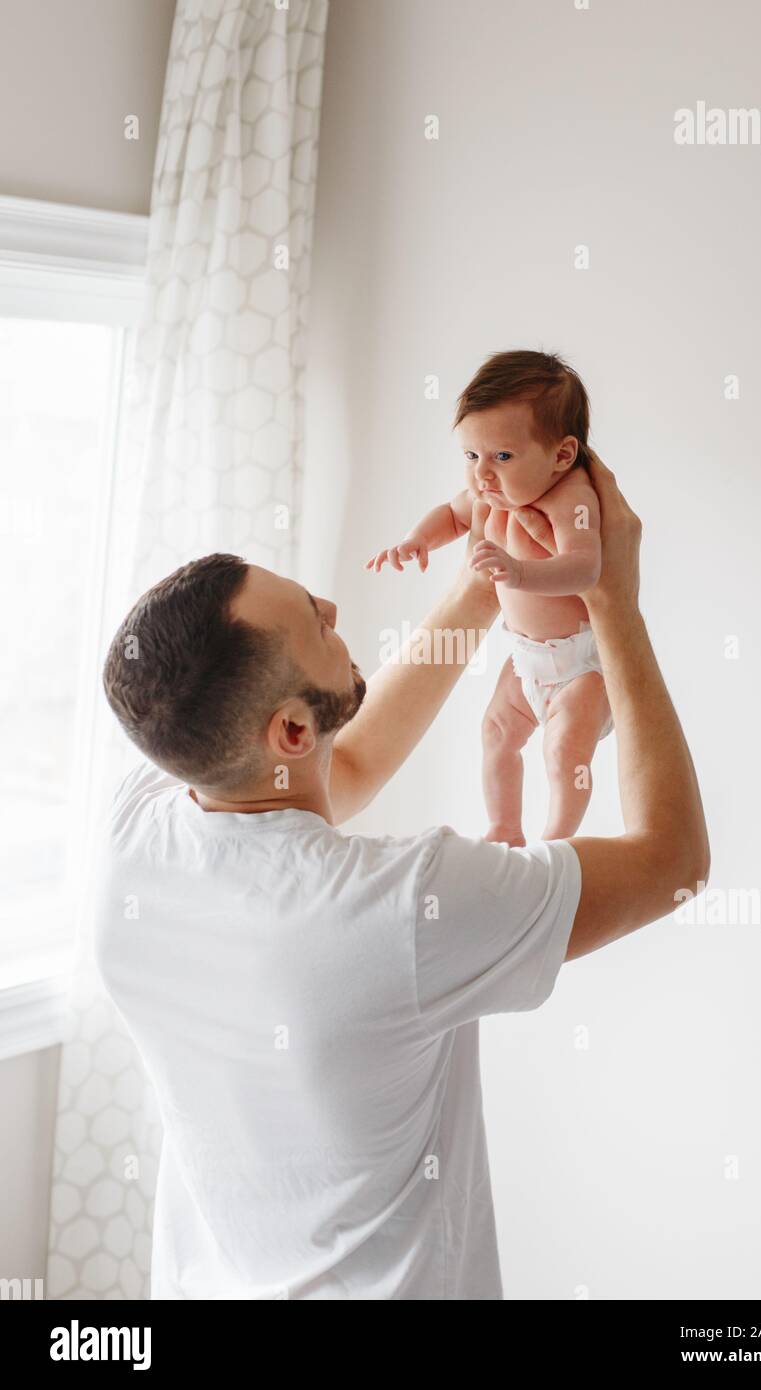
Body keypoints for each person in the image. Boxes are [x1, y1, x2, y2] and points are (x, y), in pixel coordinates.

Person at [96, 453, 709, 1300]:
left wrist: (485, 587)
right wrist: (614, 605)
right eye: (315, 622)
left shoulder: (136, 824)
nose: (334, 605)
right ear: (287, 735)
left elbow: (340, 768)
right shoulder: (402, 908)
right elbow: (672, 861)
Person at [367, 349, 610, 844]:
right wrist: (417, 540)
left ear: (562, 456)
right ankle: (504, 827)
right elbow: (452, 515)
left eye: (502, 456)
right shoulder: (491, 493)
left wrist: (520, 571)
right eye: (471, 456)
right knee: (497, 734)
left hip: (582, 664)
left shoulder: (571, 497)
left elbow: (587, 566)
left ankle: (556, 840)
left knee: (564, 752)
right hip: (526, 658)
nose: (482, 475)